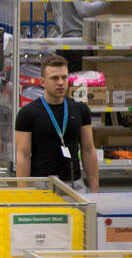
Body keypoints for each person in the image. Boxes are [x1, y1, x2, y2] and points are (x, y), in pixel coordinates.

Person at [15, 53, 99, 192]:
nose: (60, 82)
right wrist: (22, 192)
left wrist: (95, 190)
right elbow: (23, 155)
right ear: (42, 82)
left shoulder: (80, 109)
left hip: (74, 185)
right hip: (41, 186)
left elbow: (88, 149)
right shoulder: (28, 113)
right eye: (54, 78)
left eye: (64, 77)